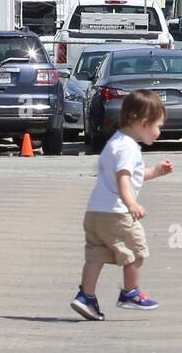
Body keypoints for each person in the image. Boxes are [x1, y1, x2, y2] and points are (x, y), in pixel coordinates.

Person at [72, 90, 173, 320]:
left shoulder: (115, 143)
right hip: (116, 213)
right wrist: (132, 204)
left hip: (95, 212)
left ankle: (85, 297)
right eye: (158, 126)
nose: (159, 132)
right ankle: (130, 293)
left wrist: (156, 172)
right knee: (137, 249)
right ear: (144, 123)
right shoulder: (128, 148)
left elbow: (131, 175)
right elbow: (123, 179)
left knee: (96, 255)